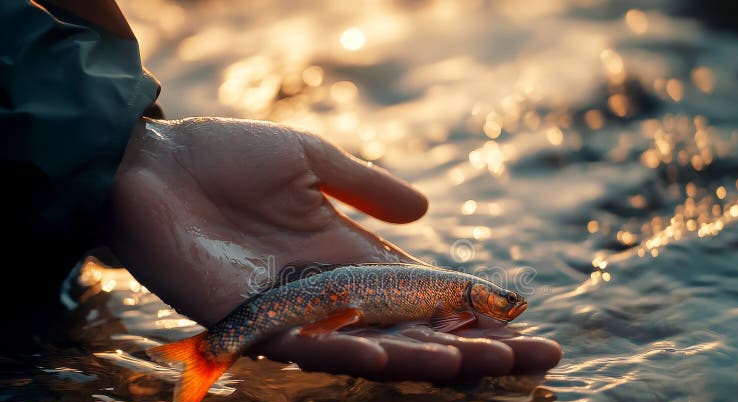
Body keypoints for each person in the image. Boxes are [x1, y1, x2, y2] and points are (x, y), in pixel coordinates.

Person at [1, 0, 561, 381]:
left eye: (504, 300)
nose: (508, 304)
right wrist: (123, 148)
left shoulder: (451, 301)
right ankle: (202, 355)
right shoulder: (451, 296)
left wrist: (129, 151)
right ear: (474, 298)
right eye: (503, 300)